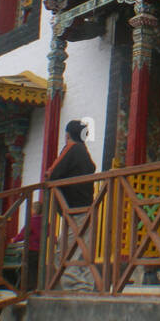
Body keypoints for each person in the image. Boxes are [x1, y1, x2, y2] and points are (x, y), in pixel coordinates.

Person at [44, 120, 97, 291]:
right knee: (82, 249)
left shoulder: (72, 149)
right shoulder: (84, 152)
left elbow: (51, 174)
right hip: (86, 207)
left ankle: (76, 287)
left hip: (74, 210)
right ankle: (87, 285)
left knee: (68, 251)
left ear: (68, 135)